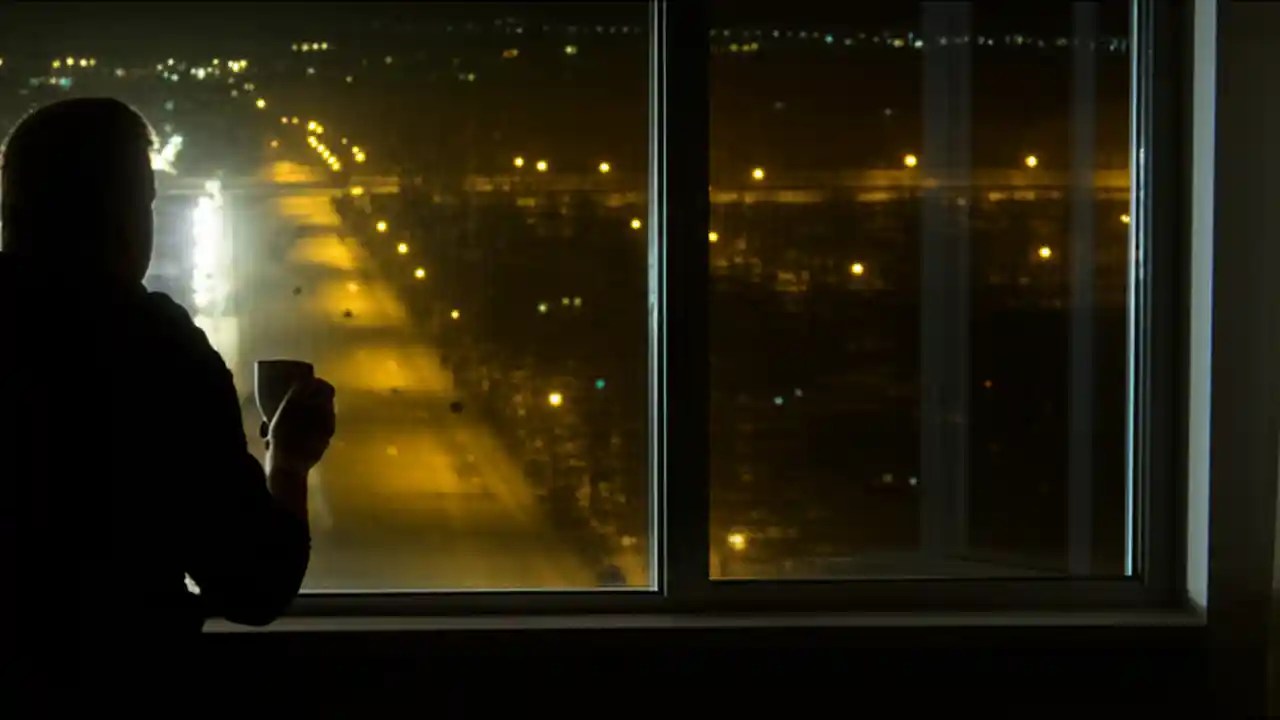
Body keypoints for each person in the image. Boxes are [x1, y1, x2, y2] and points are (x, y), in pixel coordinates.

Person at [0, 98, 336, 694]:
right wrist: (288, 462)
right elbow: (253, 586)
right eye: (147, 200)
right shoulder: (151, 347)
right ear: (129, 212)